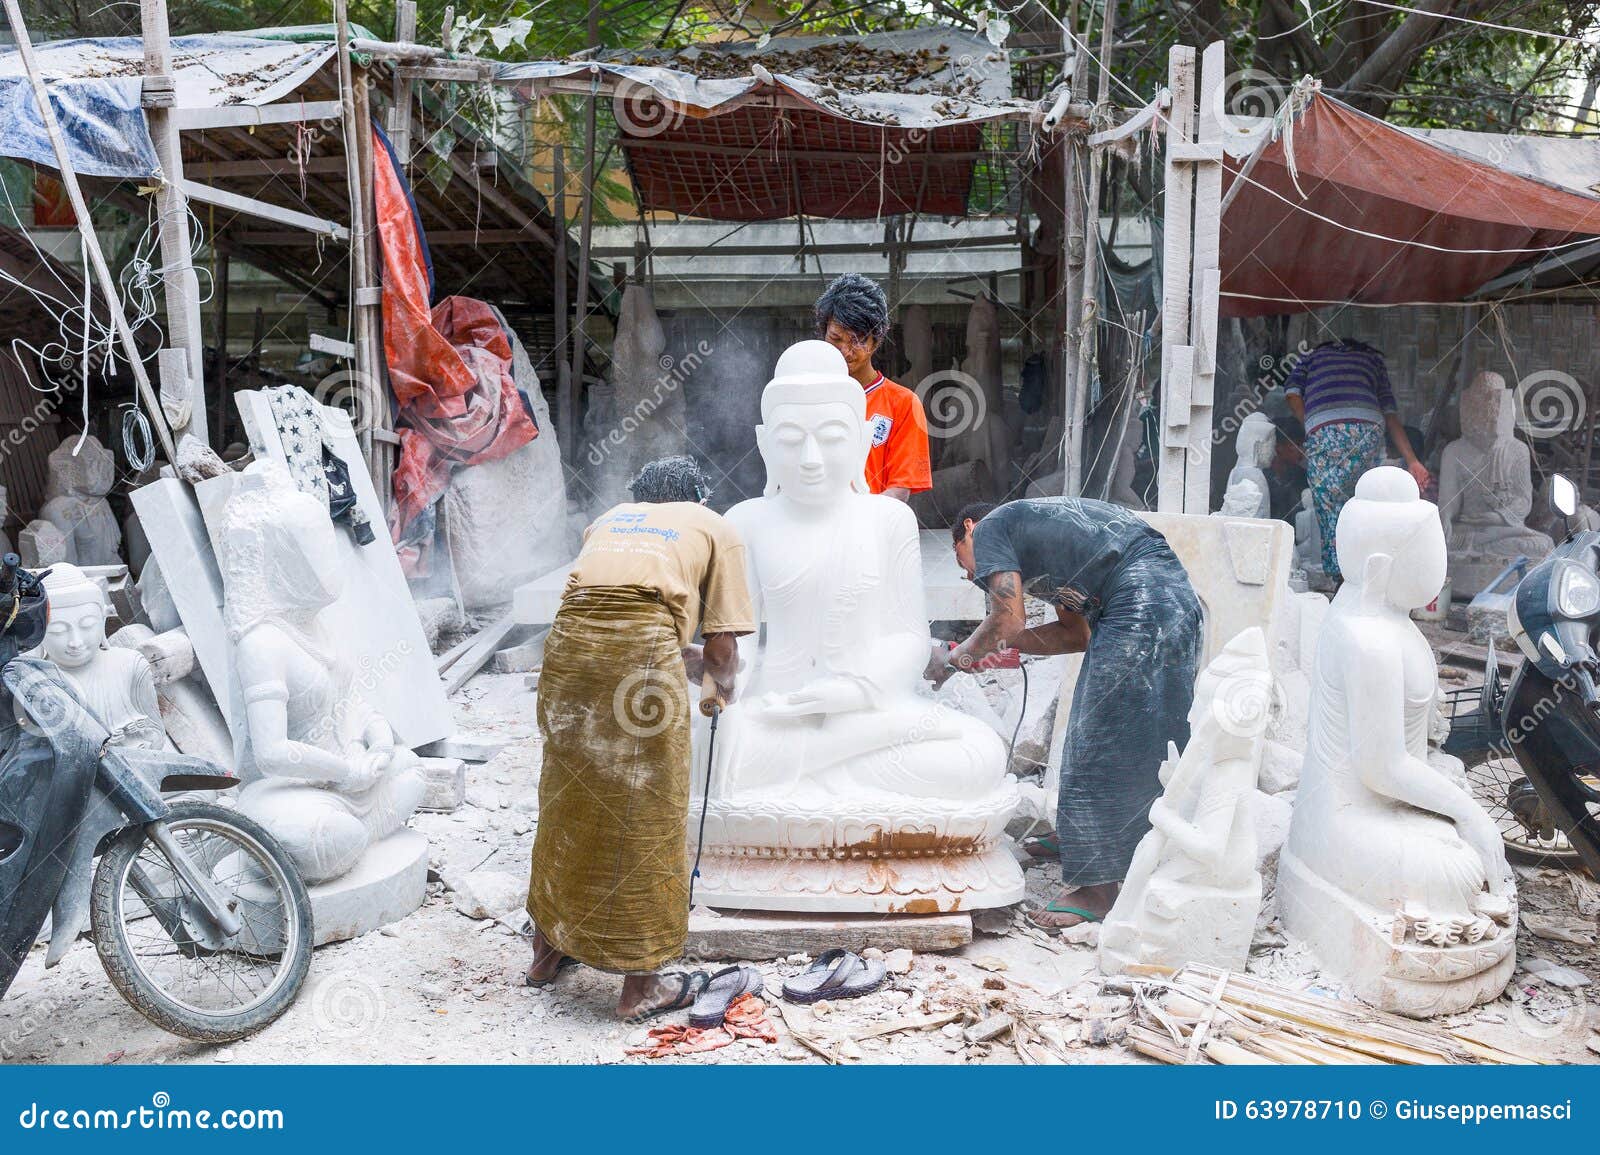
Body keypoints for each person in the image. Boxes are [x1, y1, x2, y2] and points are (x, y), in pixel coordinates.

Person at [524, 455, 754, 1019]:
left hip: (568, 650)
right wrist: (724, 684)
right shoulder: (714, 525)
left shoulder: (610, 519)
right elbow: (721, 650)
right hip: (640, 655)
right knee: (646, 806)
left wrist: (685, 660)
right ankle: (642, 983)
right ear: (698, 497)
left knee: (568, 795)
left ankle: (547, 950)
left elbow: (612, 611)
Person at [927, 498, 1203, 928]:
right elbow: (1074, 635)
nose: (968, 574)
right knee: (1131, 732)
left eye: (960, 558)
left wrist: (951, 660)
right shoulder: (1048, 552)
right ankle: (1083, 839)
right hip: (1165, 600)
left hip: (1144, 599)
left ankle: (1097, 891)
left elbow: (1007, 620)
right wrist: (998, 648)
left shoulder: (993, 526)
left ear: (968, 528)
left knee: (1096, 736)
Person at [1283, 338, 1429, 582]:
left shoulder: (1312, 357)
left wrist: (1308, 421)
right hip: (1368, 429)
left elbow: (1291, 393)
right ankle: (1369, 571)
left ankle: (1340, 577)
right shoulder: (1372, 359)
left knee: (1329, 504)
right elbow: (1390, 415)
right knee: (1366, 500)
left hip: (1325, 430)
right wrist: (1413, 461)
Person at [815, 272, 931, 502]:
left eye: (857, 340)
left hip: (871, 530)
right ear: (823, 333)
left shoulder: (903, 403)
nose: (845, 351)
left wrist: (859, 520)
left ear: (876, 341)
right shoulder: (808, 395)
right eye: (836, 339)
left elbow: (899, 490)